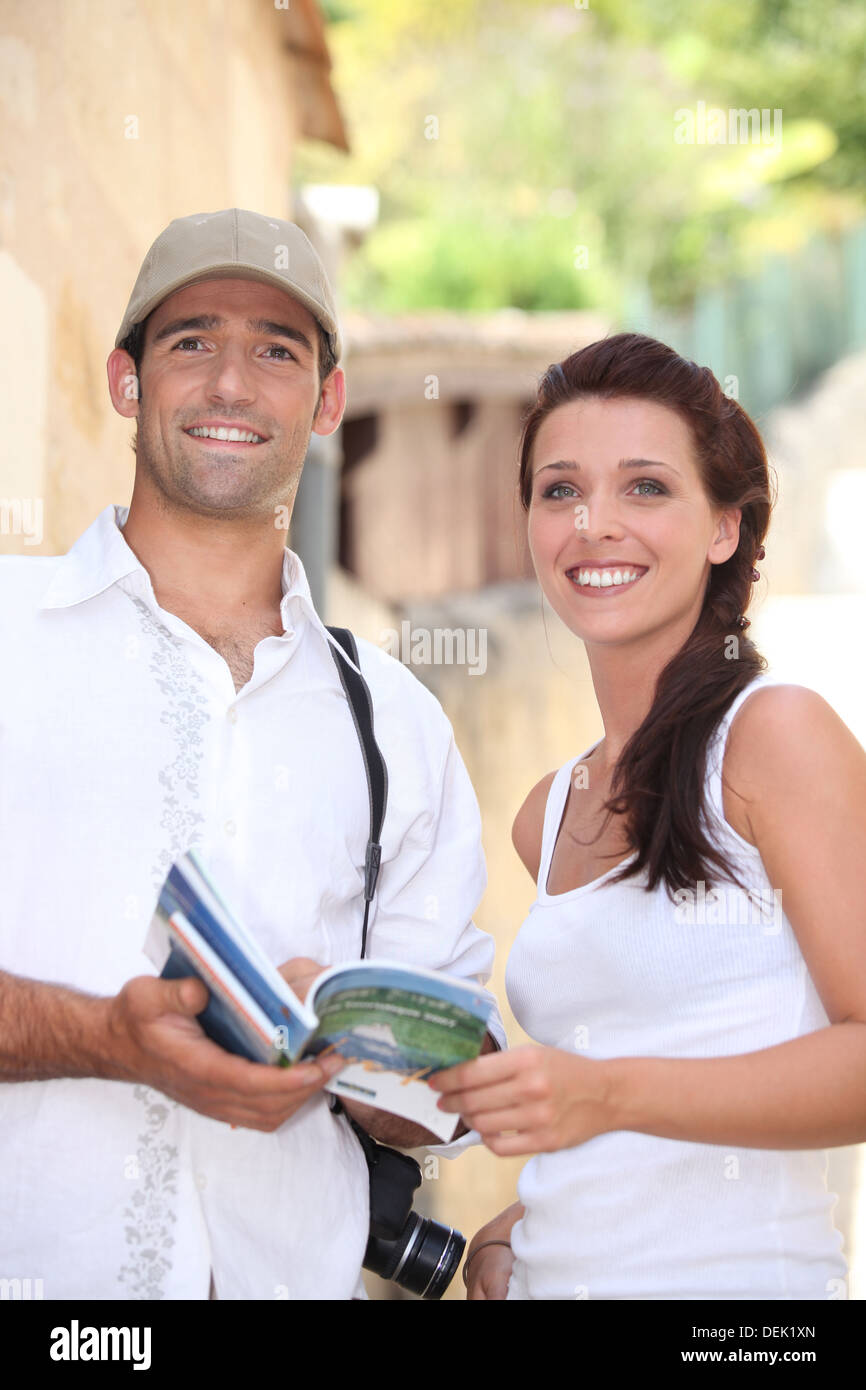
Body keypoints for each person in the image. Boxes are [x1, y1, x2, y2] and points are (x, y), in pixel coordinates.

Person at [0, 208, 504, 1300]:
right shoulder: (5, 638)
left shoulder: (398, 724)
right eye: (192, 342)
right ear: (124, 379)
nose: (232, 384)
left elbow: (441, 1091)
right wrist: (99, 1036)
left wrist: (368, 1056)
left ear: (325, 402)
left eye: (277, 350)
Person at [430, 332, 866, 1301]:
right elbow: (609, 1142)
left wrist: (606, 1092)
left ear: (722, 527)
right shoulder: (544, 816)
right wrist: (522, 1231)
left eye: (644, 487)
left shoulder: (774, 738)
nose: (593, 523)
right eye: (559, 490)